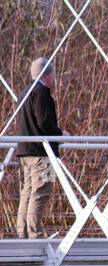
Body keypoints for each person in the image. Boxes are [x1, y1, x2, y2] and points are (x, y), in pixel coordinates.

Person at [16, 57, 68, 239]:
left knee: (28, 193)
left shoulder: (24, 92)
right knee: (41, 193)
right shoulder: (42, 92)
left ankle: (22, 232)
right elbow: (44, 121)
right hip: (42, 154)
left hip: (25, 152)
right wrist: (60, 134)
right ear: (49, 74)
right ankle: (34, 235)